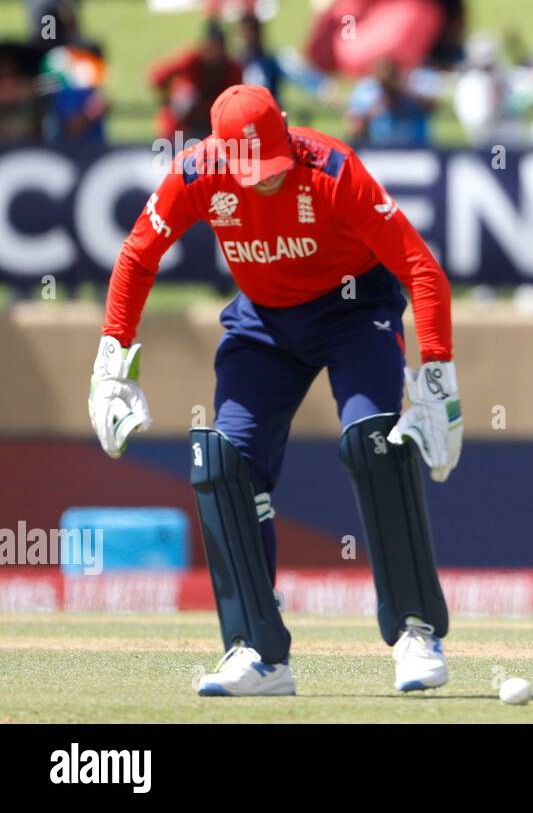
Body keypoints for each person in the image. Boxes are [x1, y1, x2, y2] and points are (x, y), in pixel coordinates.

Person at [89, 83, 463, 695]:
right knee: (223, 466)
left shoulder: (333, 168)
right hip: (262, 320)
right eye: (251, 169)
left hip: (354, 311)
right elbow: (137, 256)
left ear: (286, 130)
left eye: (272, 164)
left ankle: (415, 631)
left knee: (374, 443)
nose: (265, 180)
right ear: (218, 152)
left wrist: (438, 377)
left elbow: (420, 268)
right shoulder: (196, 172)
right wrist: (111, 365)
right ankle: (258, 655)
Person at [149, 20, 243, 140]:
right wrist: (170, 97)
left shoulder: (232, 70)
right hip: (183, 127)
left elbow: (236, 101)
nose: (212, 53)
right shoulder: (191, 59)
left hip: (214, 127)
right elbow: (157, 77)